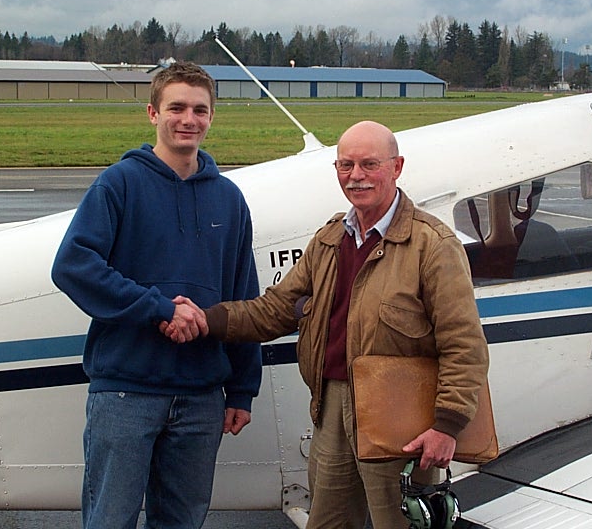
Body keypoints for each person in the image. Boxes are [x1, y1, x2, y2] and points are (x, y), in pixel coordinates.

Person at [183, 120, 489, 528]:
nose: (356, 176)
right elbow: (274, 309)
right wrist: (204, 319)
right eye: (346, 165)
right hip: (332, 409)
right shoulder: (329, 240)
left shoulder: (432, 245)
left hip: (401, 419)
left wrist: (446, 426)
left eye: (369, 164)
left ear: (397, 167)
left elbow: (464, 346)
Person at [51, 62, 261, 529]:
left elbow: (244, 297)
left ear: (211, 117)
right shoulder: (119, 183)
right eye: (177, 108)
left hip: (202, 396)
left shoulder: (229, 199)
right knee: (111, 518)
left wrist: (243, 389)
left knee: (182, 520)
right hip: (127, 391)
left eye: (200, 110)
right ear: (153, 113)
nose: (189, 119)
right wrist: (159, 308)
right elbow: (73, 266)